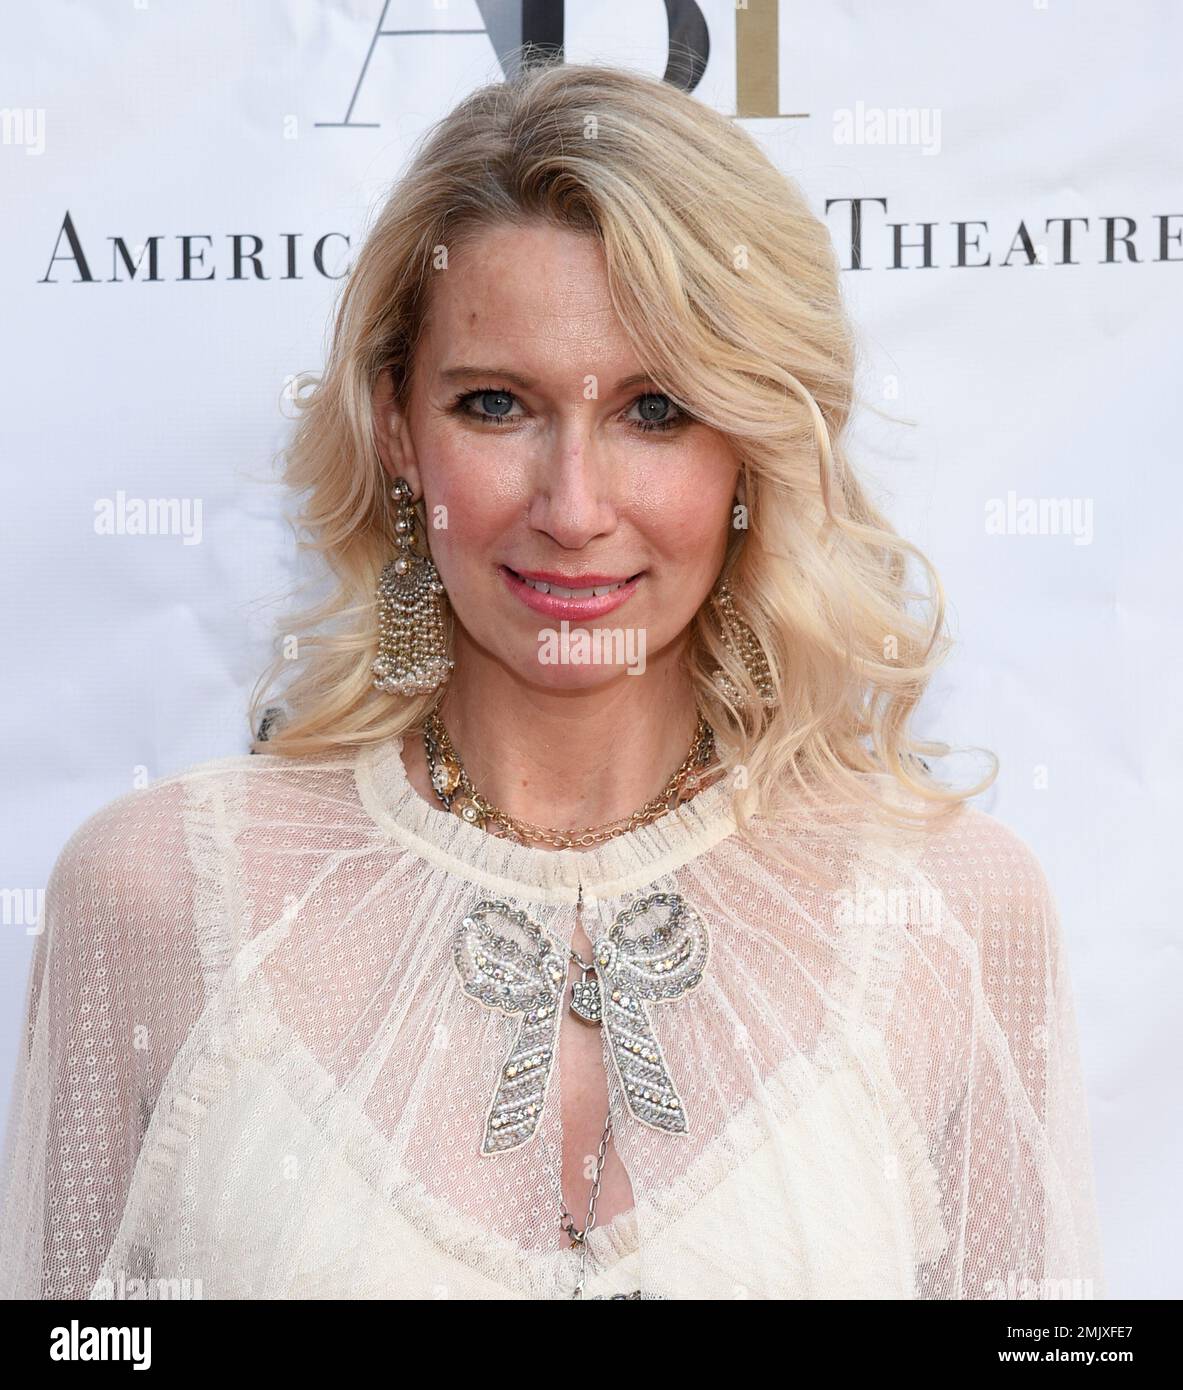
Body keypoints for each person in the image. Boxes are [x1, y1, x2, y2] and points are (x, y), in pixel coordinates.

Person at [0, 59, 1104, 1300]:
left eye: (654, 411)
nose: (573, 509)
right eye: (494, 403)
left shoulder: (950, 914)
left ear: (752, 446)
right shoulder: (156, 897)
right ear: (396, 431)